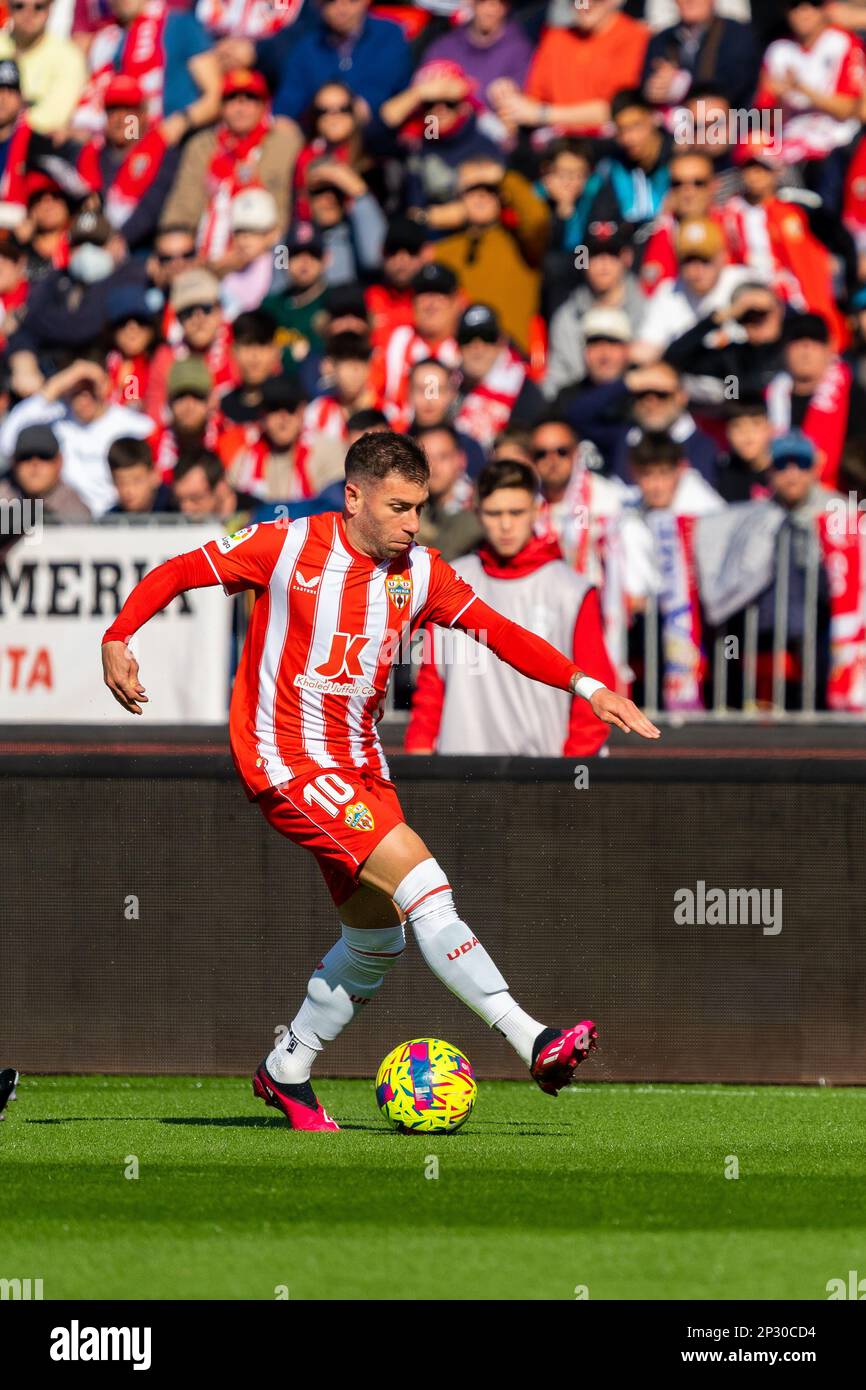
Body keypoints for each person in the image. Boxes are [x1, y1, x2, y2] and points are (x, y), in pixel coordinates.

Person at [101, 431, 660, 1130]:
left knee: (377, 940)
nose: (411, 524)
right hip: (286, 759)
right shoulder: (285, 545)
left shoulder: (419, 572)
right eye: (398, 507)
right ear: (354, 495)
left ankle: (287, 1069)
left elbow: (498, 630)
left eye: (420, 507)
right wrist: (119, 636)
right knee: (424, 883)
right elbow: (181, 570)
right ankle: (533, 1039)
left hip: (362, 762)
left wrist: (586, 685)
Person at [406, 456, 617, 756]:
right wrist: (420, 751)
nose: (505, 525)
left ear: (537, 510)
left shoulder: (572, 590)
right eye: (494, 513)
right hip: (459, 773)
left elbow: (594, 694)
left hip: (541, 775)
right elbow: (432, 682)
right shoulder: (448, 579)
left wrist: (568, 775)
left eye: (516, 512)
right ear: (477, 513)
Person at [160, 67, 300, 264]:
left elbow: (290, 206)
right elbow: (183, 204)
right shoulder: (203, 145)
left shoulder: (283, 143)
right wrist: (171, 250)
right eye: (232, 99)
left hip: (267, 253)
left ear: (264, 105)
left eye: (250, 98)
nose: (240, 107)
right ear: (221, 106)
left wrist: (269, 241)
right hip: (204, 258)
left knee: (281, 264)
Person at [0, 355, 154, 514]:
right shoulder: (59, 420)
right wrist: (61, 382)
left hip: (116, 516)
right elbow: (7, 440)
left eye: (90, 388)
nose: (84, 398)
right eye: (77, 391)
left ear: (104, 385)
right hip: (70, 514)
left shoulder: (133, 424)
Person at [432, 157, 550, 356]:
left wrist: (504, 177)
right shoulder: (443, 251)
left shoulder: (520, 244)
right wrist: (432, 217)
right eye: (472, 191)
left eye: (489, 191)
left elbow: (538, 221)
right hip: (461, 359)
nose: (481, 198)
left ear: (501, 198)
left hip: (513, 359)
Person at [489, 0, 649, 136]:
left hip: (606, 143)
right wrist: (508, 97)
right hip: (553, 141)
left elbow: (614, 110)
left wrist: (542, 114)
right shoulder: (556, 38)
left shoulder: (634, 36)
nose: (584, 6)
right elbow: (534, 99)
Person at [453, 302, 544, 450]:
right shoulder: (448, 385)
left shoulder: (524, 390)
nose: (478, 347)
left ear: (501, 341)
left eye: (487, 337)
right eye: (467, 338)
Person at [0, 0, 86, 134]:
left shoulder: (69, 57)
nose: (28, 13)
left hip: (34, 144)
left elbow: (55, 115)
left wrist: (7, 130)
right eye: (19, 6)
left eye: (39, 7)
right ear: (8, 7)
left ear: (51, 8)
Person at [412, 422, 482, 560]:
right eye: (426, 459)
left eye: (443, 456)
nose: (434, 467)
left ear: (461, 459)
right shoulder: (414, 508)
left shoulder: (479, 506)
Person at [0, 421, 91, 522]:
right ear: (14, 463)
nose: (34, 464)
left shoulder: (75, 511)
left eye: (44, 456)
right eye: (25, 457)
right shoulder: (2, 495)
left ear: (59, 462)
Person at [107, 434, 173, 513]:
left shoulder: (177, 510)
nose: (129, 490)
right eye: (121, 482)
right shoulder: (109, 521)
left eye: (137, 480)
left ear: (155, 476)